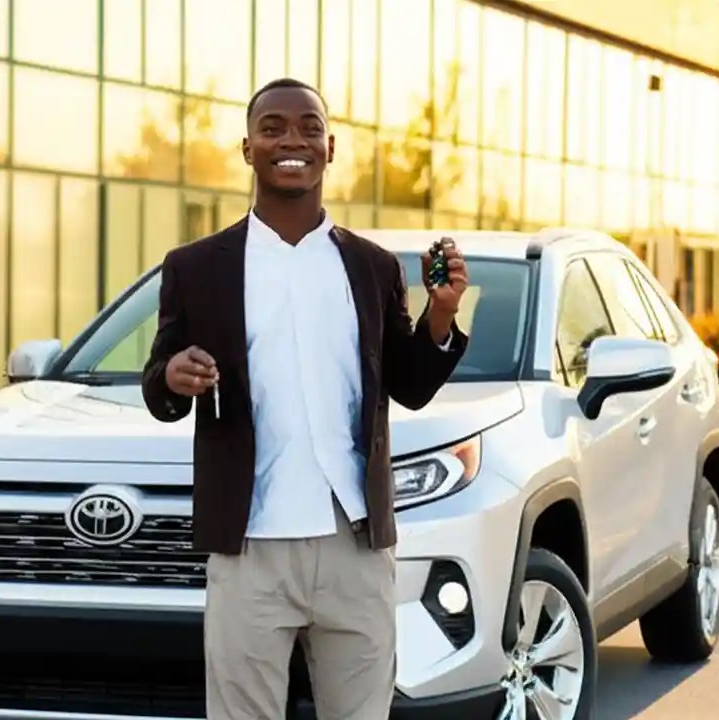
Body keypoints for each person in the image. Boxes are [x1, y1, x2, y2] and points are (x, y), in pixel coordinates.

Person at [141, 77, 470, 720]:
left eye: (308, 127)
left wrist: (441, 316)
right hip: (250, 545)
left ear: (331, 147)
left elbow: (409, 386)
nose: (292, 140)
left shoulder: (373, 266)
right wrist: (173, 375)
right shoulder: (196, 267)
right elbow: (160, 386)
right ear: (247, 148)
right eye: (273, 127)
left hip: (356, 542)